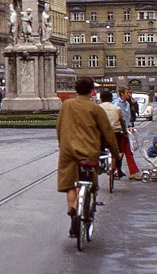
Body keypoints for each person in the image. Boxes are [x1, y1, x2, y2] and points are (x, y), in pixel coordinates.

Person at [56, 77, 119, 239]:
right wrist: (115, 153)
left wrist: (62, 144)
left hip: (68, 151)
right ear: (92, 91)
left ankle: (73, 210)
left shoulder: (67, 105)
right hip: (89, 152)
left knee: (70, 184)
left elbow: (59, 126)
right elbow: (108, 133)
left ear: (76, 90)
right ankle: (81, 206)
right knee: (89, 181)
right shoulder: (95, 109)